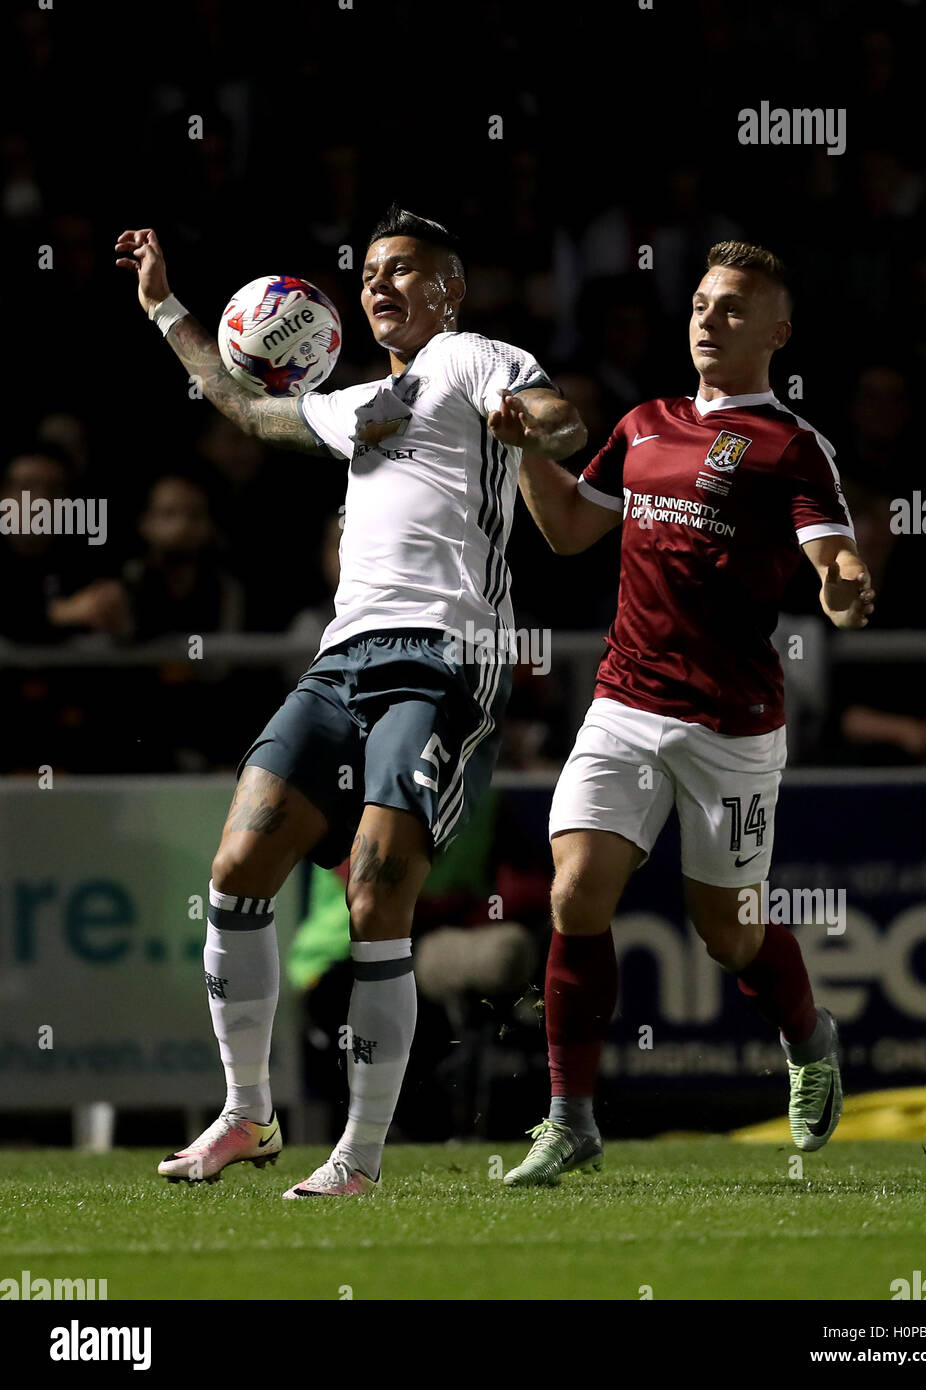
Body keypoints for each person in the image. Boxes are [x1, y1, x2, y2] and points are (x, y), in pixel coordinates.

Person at [114, 206, 586, 1197]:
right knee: (238, 864)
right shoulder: (355, 402)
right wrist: (166, 310)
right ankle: (249, 1113)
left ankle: (359, 1158)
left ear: (448, 290)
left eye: (405, 268)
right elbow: (243, 407)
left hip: (446, 657)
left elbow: (561, 417)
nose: (380, 283)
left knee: (375, 896)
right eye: (370, 270)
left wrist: (529, 426)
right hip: (340, 660)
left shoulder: (471, 357)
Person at [501, 241, 874, 1186]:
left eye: (735, 308)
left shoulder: (792, 446)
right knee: (575, 893)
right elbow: (570, 531)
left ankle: (807, 1034)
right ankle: (570, 1116)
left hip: (731, 725)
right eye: (703, 302)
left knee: (728, 934)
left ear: (776, 334)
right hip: (624, 701)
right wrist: (521, 457)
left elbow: (829, 554)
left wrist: (842, 583)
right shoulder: (642, 423)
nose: (709, 318)